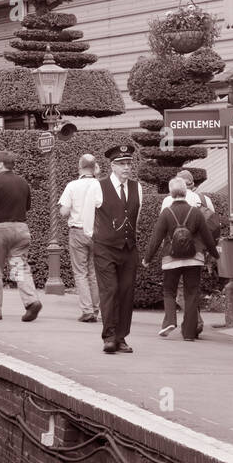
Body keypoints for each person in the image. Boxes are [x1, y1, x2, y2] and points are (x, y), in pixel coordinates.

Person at [144, 177, 219, 341]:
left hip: (171, 259)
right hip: (194, 258)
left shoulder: (166, 213)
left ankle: (169, 321)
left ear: (171, 193)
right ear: (185, 192)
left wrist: (147, 258)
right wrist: (215, 254)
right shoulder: (196, 212)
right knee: (191, 293)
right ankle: (189, 333)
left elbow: (156, 238)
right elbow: (207, 237)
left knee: (169, 290)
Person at [0, 150, 41, 322]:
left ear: (2, 164)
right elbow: (27, 206)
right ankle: (31, 301)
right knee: (19, 267)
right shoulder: (23, 182)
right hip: (21, 229)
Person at [92, 143, 142, 354]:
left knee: (126, 292)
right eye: (121, 164)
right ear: (112, 166)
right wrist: (97, 239)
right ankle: (109, 336)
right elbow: (87, 219)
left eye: (129, 163)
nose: (126, 168)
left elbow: (135, 218)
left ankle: (121, 337)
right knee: (110, 290)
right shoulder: (98, 186)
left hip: (128, 248)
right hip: (104, 247)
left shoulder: (136, 187)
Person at [57, 153, 104, 323]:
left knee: (80, 273)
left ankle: (87, 310)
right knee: (93, 272)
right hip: (98, 233)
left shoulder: (72, 185)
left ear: (79, 166)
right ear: (95, 167)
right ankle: (96, 309)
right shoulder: (101, 185)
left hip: (78, 231)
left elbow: (63, 212)